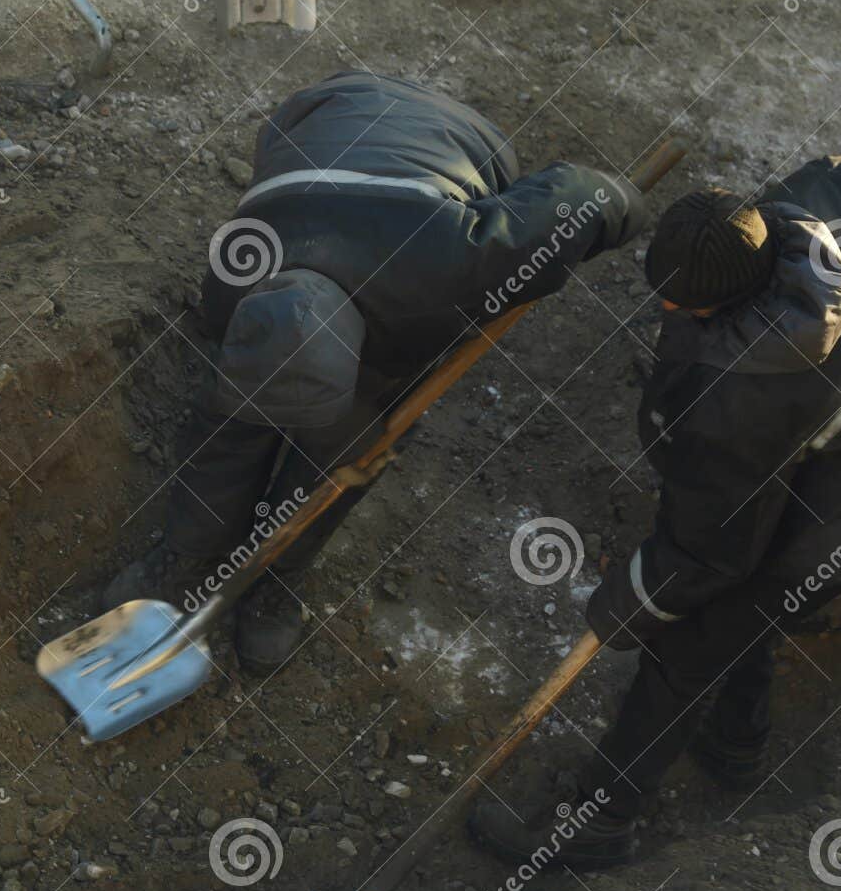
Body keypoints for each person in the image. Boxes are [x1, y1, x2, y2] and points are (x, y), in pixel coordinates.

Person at [104, 70, 648, 673]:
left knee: (342, 453)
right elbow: (227, 418)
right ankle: (185, 553)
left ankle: (279, 575)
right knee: (229, 424)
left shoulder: (457, 264)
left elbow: (580, 194)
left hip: (459, 142)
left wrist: (632, 208)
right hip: (327, 107)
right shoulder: (232, 281)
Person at [470, 148, 841, 867]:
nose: (668, 309)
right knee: (748, 600)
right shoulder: (830, 192)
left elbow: (709, 554)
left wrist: (629, 603)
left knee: (697, 635)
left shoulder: (738, 399)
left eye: (684, 304)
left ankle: (602, 819)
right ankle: (735, 743)